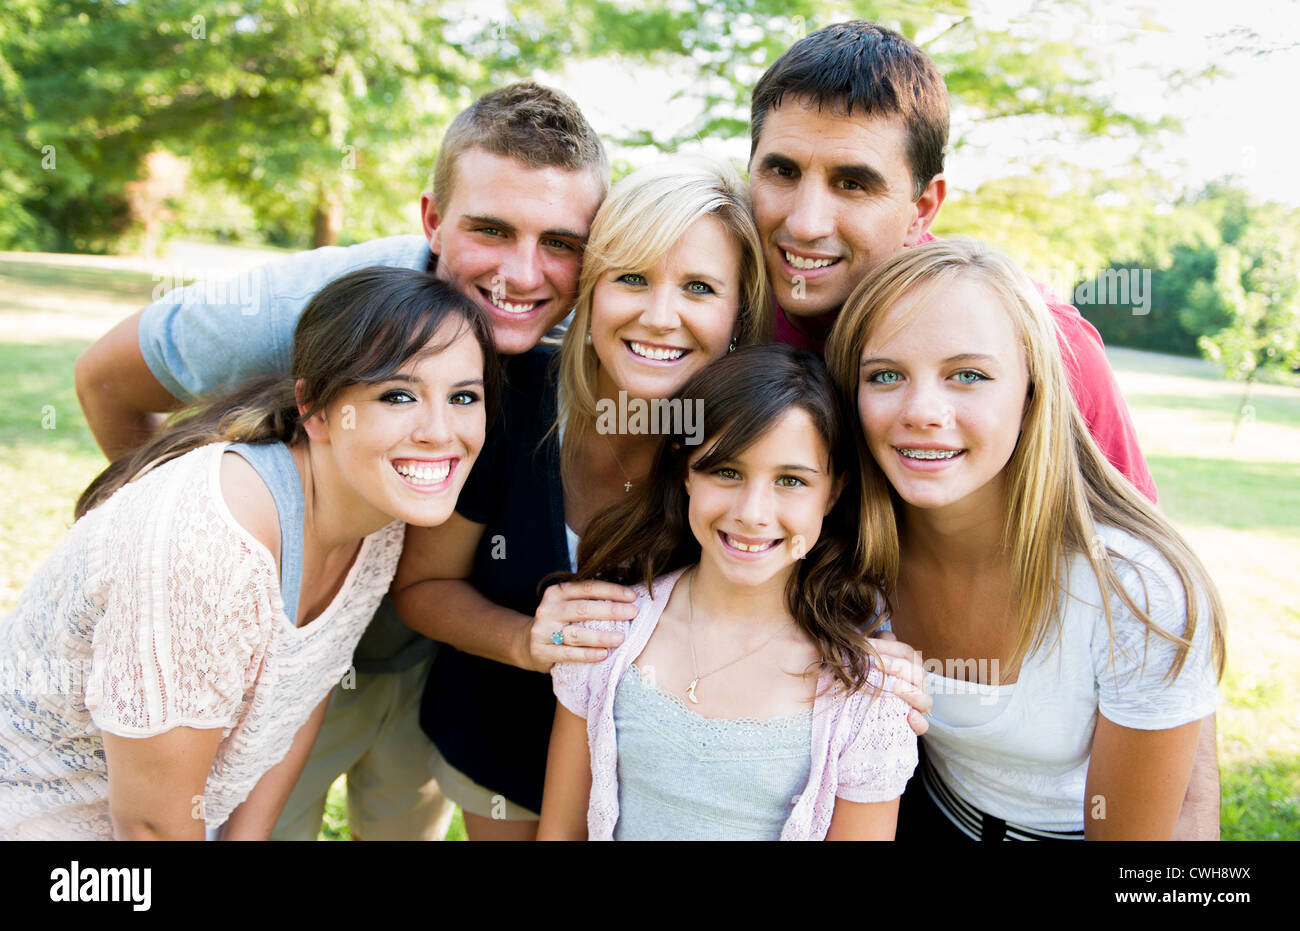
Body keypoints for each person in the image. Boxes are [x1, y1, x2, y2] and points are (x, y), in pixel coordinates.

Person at [71, 82, 608, 840]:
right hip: (278, 660)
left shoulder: (599, 320)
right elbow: (103, 376)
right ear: (431, 219)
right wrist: (175, 547)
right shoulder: (308, 309)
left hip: (432, 652)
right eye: (490, 230)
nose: (523, 274)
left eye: (560, 242)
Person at [747, 21, 1221, 835]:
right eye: (782, 171)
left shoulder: (1047, 345)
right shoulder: (741, 321)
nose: (806, 221)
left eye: (854, 182)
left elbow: (1156, 629)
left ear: (924, 202)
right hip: (896, 766)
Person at [0, 268, 496, 840]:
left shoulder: (377, 510)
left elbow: (295, 696)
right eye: (397, 395)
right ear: (315, 409)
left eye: (464, 397)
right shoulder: (209, 548)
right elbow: (151, 826)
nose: (440, 430)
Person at [392, 155, 773, 839]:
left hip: (651, 786)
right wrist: (523, 640)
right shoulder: (510, 399)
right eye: (632, 278)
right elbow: (422, 584)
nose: (660, 316)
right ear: (590, 292)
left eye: (698, 288)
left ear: (739, 312)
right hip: (495, 749)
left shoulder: (746, 454)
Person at [824, 239, 1225, 839]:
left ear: (1032, 394)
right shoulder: (846, 546)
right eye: (885, 375)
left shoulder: (1134, 592)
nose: (922, 411)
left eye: (968, 375)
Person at [538, 344, 917, 840]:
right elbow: (560, 832)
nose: (753, 512)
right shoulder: (607, 630)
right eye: (727, 471)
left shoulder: (863, 696)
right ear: (685, 471)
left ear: (834, 492)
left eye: (790, 480)